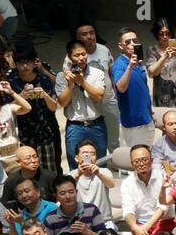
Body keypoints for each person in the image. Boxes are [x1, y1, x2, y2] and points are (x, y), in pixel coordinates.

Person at [57, 39, 108, 167]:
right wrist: (70, 85)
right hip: (75, 127)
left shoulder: (97, 73)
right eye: (77, 55)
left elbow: (99, 96)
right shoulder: (62, 76)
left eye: (83, 54)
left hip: (96, 124)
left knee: (100, 163)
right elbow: (63, 103)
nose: (81, 58)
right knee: (76, 165)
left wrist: (82, 82)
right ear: (69, 56)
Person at [112, 29, 155, 150]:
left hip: (146, 119)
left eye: (135, 41)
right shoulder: (120, 65)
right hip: (133, 123)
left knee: (147, 155)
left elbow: (143, 90)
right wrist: (130, 67)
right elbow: (120, 88)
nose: (132, 44)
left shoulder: (137, 61)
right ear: (120, 46)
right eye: (128, 42)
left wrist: (150, 113)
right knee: (135, 158)